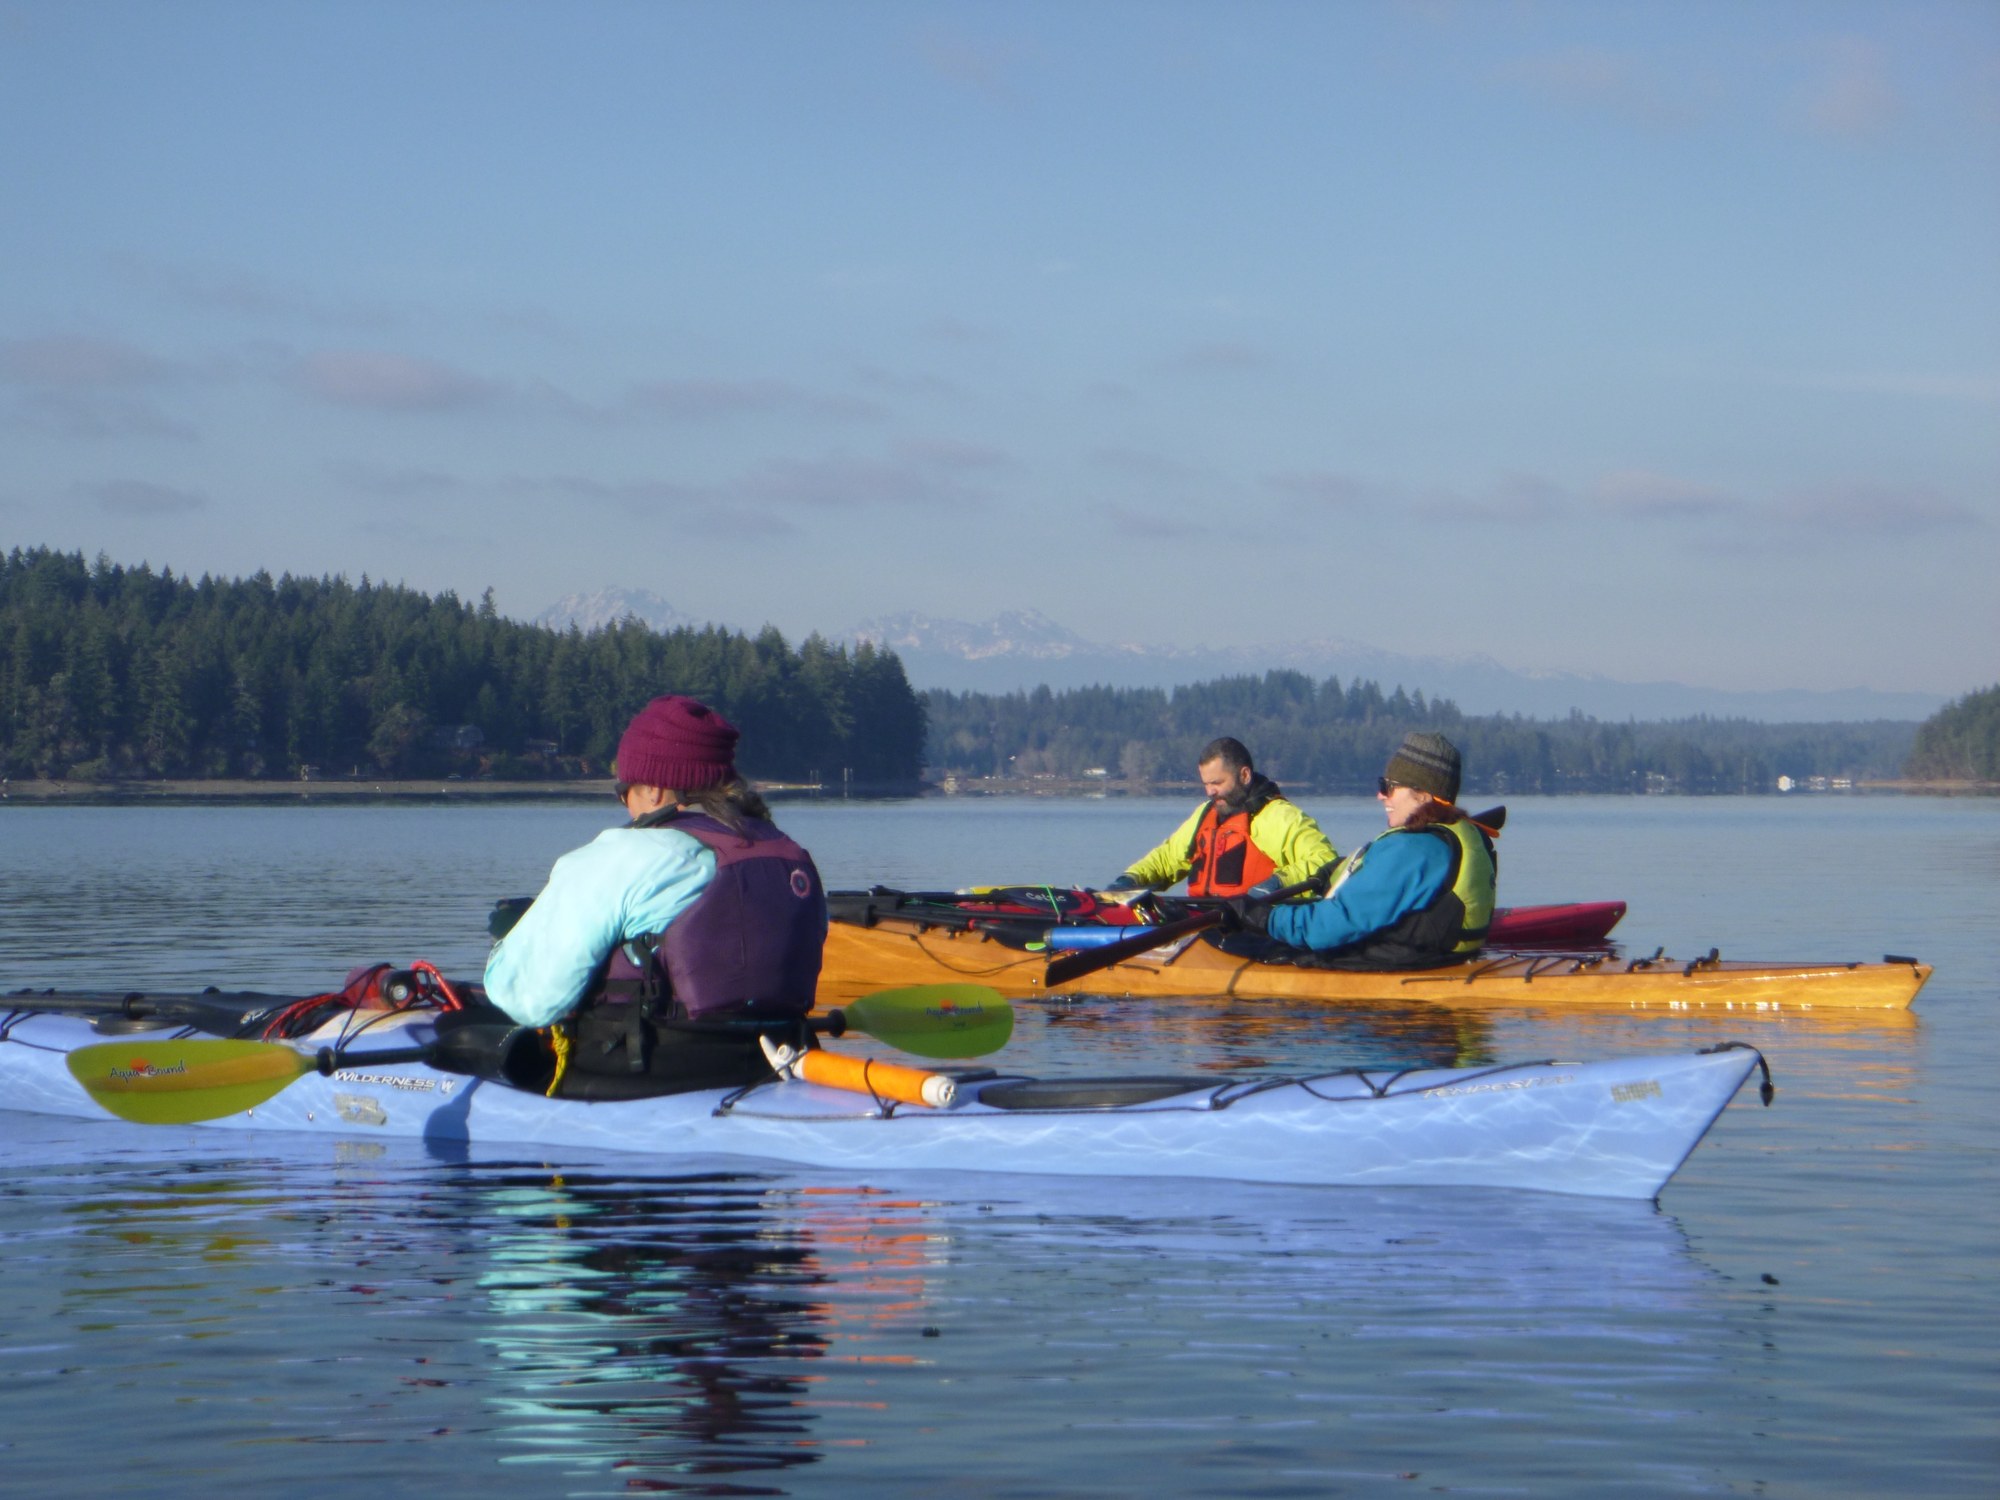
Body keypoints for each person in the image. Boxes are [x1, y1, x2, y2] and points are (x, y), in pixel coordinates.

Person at [483, 694, 826, 1098]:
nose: (625, 804)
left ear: (656, 789)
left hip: (642, 1078)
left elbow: (530, 1002)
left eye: (624, 790)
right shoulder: (787, 853)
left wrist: (512, 938)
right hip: (772, 1066)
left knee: (459, 1036)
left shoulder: (626, 853)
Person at [1227, 731, 1496, 970]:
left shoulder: (1412, 849)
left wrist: (1266, 919)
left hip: (1402, 966)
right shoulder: (1461, 834)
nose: (1381, 796)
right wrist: (1331, 874)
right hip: (1444, 960)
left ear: (1423, 795)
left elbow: (1331, 926)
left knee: (1230, 943)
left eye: (1389, 787)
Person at [1108, 737, 1338, 898]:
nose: (1210, 792)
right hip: (1205, 924)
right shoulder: (1206, 814)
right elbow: (1168, 858)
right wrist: (1131, 879)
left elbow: (1325, 861)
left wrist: (1279, 882)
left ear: (1244, 775)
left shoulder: (1278, 816)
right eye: (1206, 784)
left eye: (1217, 783)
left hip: (1258, 927)